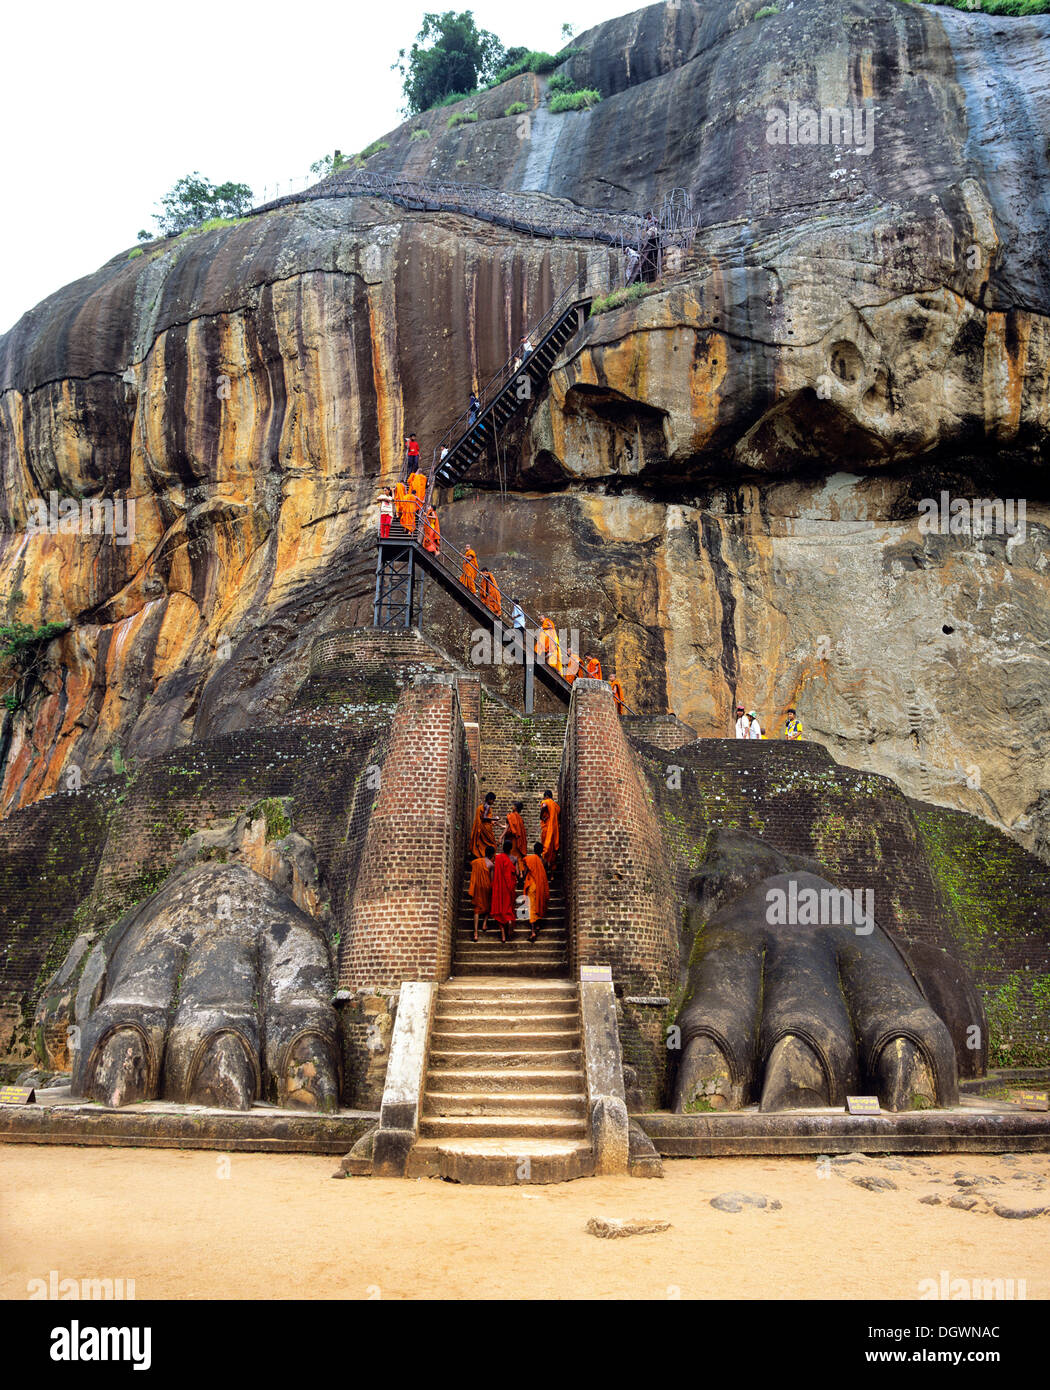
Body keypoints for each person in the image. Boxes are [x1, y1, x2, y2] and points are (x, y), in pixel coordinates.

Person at [490, 836, 517, 943]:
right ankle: (510, 921)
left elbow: (496, 872)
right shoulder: (514, 858)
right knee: (508, 907)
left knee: (499, 908)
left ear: (503, 848)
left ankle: (503, 935)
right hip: (510, 887)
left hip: (500, 887)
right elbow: (517, 873)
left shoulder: (498, 858)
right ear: (511, 848)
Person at [522, 841, 550, 942]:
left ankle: (533, 931)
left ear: (534, 850)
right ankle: (538, 925)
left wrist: (522, 878)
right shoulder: (544, 861)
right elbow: (545, 873)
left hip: (533, 886)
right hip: (541, 886)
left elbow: (525, 873)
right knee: (539, 904)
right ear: (542, 851)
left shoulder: (530, 859)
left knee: (532, 907)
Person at [469, 850, 492, 941]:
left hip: (477, 886)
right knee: (488, 905)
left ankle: (475, 933)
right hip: (486, 886)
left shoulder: (477, 862)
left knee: (477, 909)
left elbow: (472, 864)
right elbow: (492, 878)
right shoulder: (491, 864)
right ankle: (484, 924)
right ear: (492, 855)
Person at [469, 791, 499, 860]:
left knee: (482, 843)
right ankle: (485, 857)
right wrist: (494, 818)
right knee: (492, 844)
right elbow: (484, 817)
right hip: (485, 827)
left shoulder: (482, 806)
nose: (493, 802)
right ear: (489, 799)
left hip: (482, 827)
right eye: (493, 800)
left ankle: (479, 855)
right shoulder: (487, 806)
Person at [539, 789, 560, 873]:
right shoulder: (556, 806)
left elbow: (544, 806)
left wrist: (541, 817)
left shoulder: (546, 801)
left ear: (546, 796)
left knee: (546, 847)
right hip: (555, 830)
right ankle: (552, 870)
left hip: (547, 828)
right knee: (552, 849)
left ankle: (544, 865)